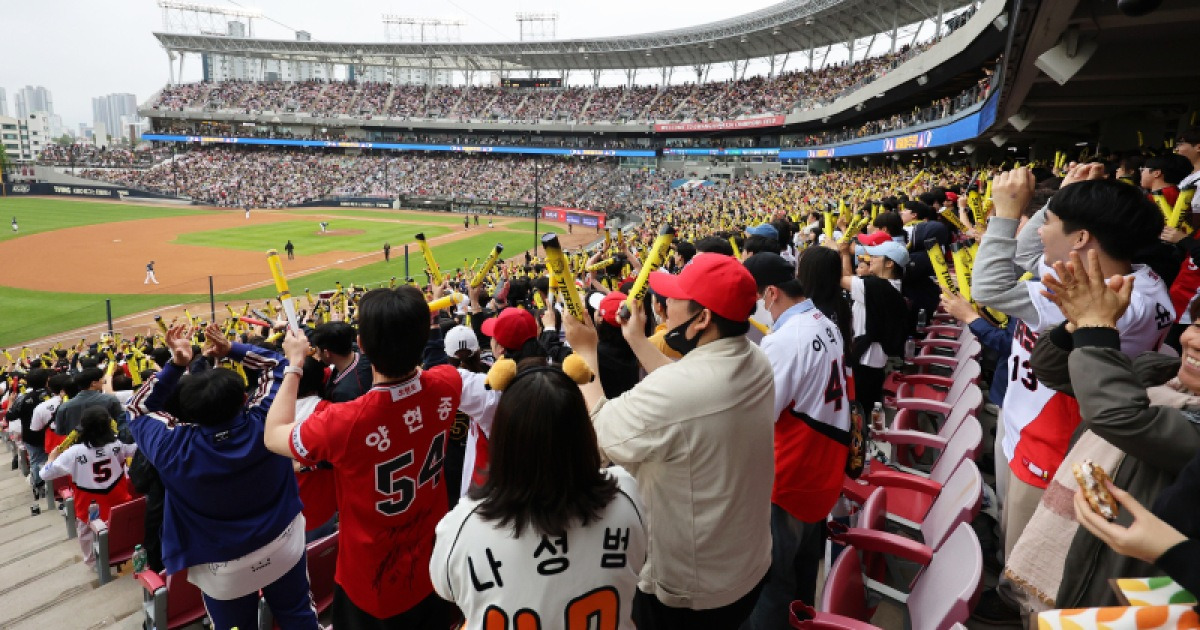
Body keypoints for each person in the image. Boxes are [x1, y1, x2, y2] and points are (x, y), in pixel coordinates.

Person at [971, 165, 1173, 621]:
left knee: (1035, 577)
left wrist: (1004, 215)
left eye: (1048, 222)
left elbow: (988, 286)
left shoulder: (1110, 296)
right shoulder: (1105, 271)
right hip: (1030, 424)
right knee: (1015, 545)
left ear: (1081, 238)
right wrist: (1060, 199)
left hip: (1057, 445)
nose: (1038, 229)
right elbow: (1026, 257)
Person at [563, 253, 774, 630]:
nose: (663, 307)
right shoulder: (755, 359)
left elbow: (599, 433)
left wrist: (584, 351)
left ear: (704, 318)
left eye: (673, 299)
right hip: (746, 566)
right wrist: (637, 341)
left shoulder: (680, 392)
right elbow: (689, 386)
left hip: (691, 595)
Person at [264, 287, 463, 629]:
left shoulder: (344, 422)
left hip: (372, 584)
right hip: (436, 565)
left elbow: (273, 434)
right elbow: (433, 365)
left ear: (363, 345)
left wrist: (294, 364)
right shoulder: (448, 383)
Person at [1015, 250, 1200, 608]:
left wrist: (1097, 329)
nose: (1194, 342)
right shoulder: (1157, 371)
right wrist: (1076, 325)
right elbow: (1053, 370)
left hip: (1118, 576)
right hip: (1077, 544)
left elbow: (1118, 415)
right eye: (1196, 326)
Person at [128, 323, 317, 630]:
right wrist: (231, 349)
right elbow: (280, 365)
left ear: (185, 415)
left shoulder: (171, 448)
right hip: (284, 543)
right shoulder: (267, 420)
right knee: (299, 617)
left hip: (221, 569)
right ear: (245, 399)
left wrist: (176, 366)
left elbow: (137, 409)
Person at [430, 365, 648, 629]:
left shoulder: (462, 524)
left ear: (504, 440)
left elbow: (446, 589)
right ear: (584, 434)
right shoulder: (627, 494)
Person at [743, 253, 850, 629]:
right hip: (820, 467)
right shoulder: (823, 320)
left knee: (772, 581)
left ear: (770, 293)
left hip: (792, 475)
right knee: (803, 572)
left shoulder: (786, 339)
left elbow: (760, 416)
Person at [40, 407, 138, 564]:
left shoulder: (74, 452)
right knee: (123, 532)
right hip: (119, 502)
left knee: (89, 540)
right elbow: (137, 449)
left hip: (89, 509)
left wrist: (51, 458)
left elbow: (44, 474)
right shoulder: (117, 444)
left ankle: (96, 566)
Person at [309, 322, 373, 403]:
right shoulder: (362, 354)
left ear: (326, 353)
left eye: (317, 350)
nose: (316, 353)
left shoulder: (343, 393)